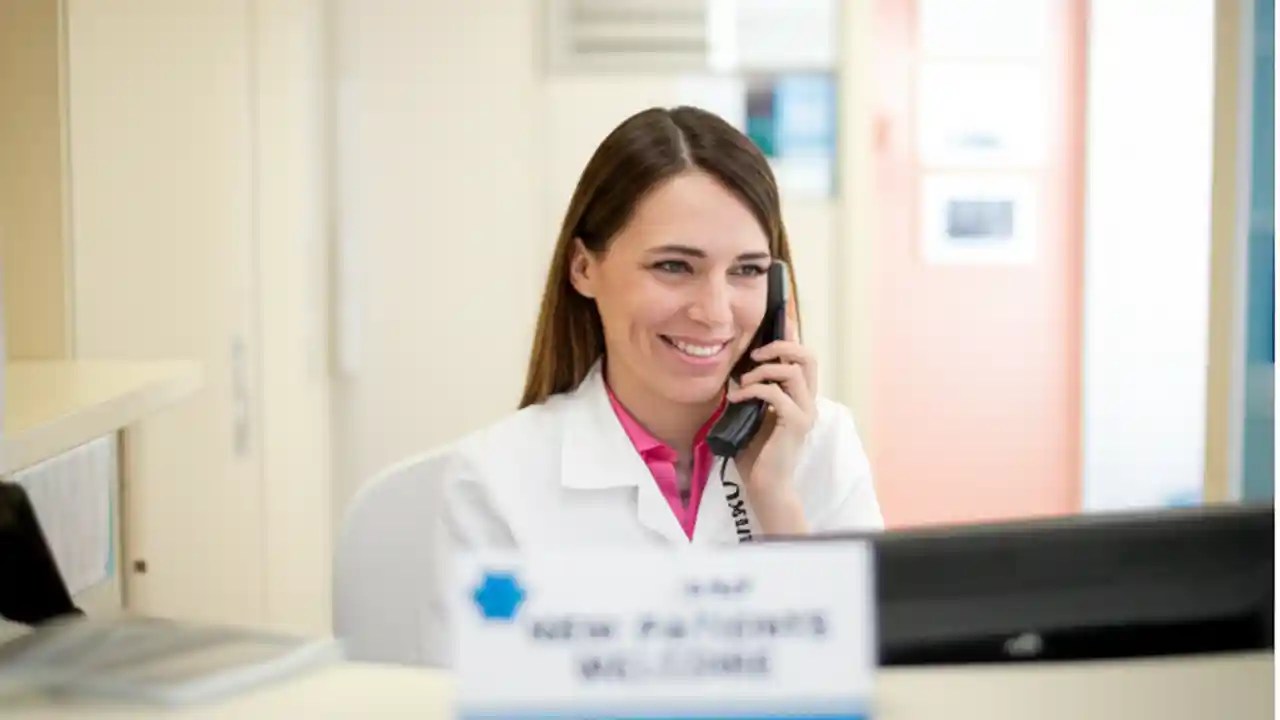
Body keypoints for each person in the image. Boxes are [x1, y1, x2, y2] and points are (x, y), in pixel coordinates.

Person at [434, 106, 882, 551]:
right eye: (674, 266)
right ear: (583, 267)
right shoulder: (491, 478)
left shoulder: (824, 446)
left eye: (747, 270)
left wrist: (775, 498)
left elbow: (864, 623)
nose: (715, 313)